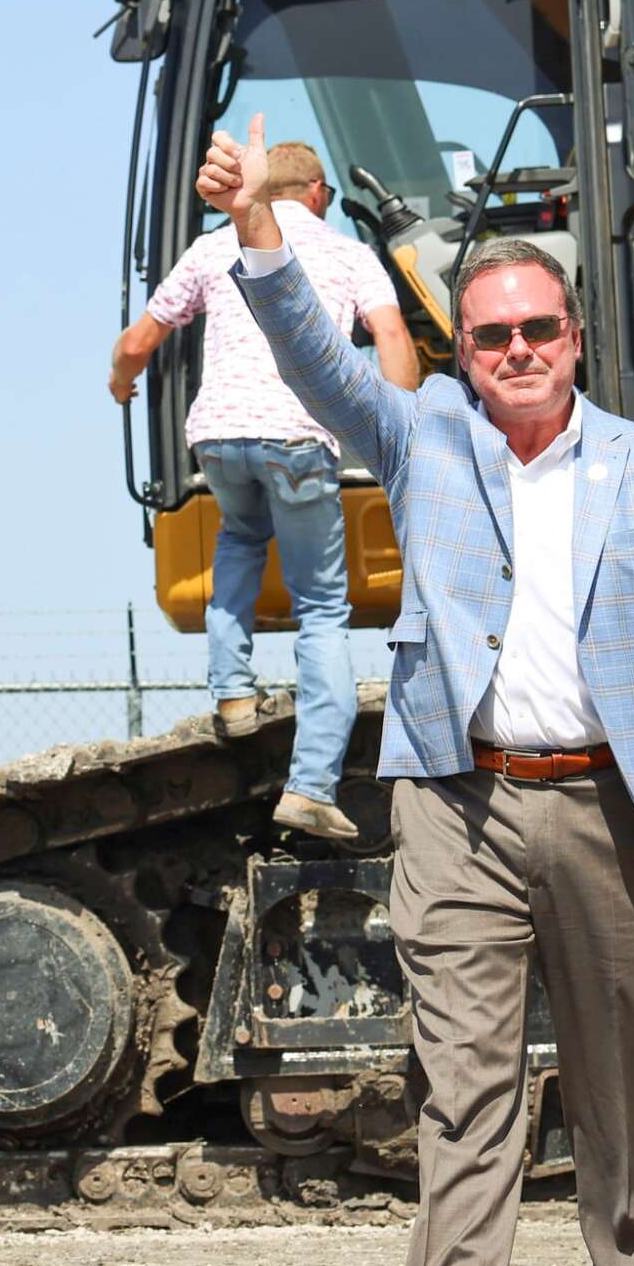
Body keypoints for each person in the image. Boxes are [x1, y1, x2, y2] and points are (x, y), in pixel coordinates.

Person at [199, 114, 634, 1266]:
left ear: (574, 339)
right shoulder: (424, 439)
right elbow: (312, 362)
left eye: (539, 331)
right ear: (466, 346)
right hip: (460, 807)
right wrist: (259, 229)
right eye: (492, 334)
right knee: (465, 1081)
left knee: (624, 1088)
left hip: (621, 816)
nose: (516, 351)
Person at [111, 137, 419, 841]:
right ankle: (311, 786)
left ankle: (232, 696)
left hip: (218, 438)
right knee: (321, 609)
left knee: (241, 541)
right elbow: (391, 332)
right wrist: (400, 432)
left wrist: (120, 382)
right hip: (298, 436)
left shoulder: (211, 248)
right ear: (316, 193)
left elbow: (139, 341)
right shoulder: (345, 253)